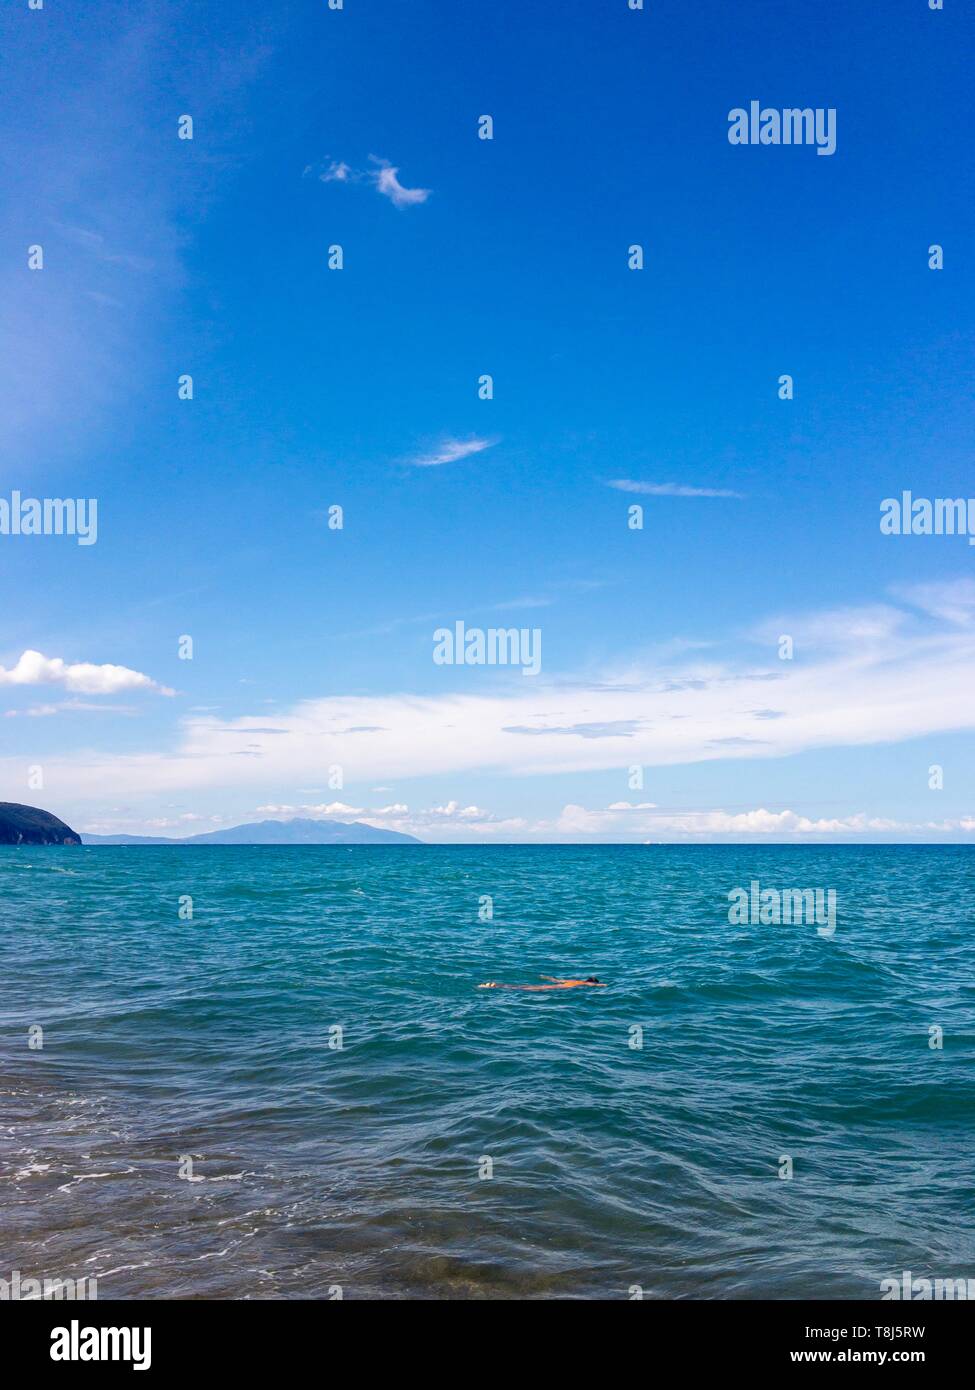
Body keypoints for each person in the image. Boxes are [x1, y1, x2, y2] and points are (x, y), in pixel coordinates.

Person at [477, 975, 605, 991]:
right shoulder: (583, 984)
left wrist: (545, 977)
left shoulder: (573, 980)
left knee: (524, 987)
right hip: (556, 988)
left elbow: (556, 980)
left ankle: (495, 985)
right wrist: (604, 985)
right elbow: (593, 985)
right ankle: (496, 986)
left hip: (555, 984)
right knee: (524, 989)